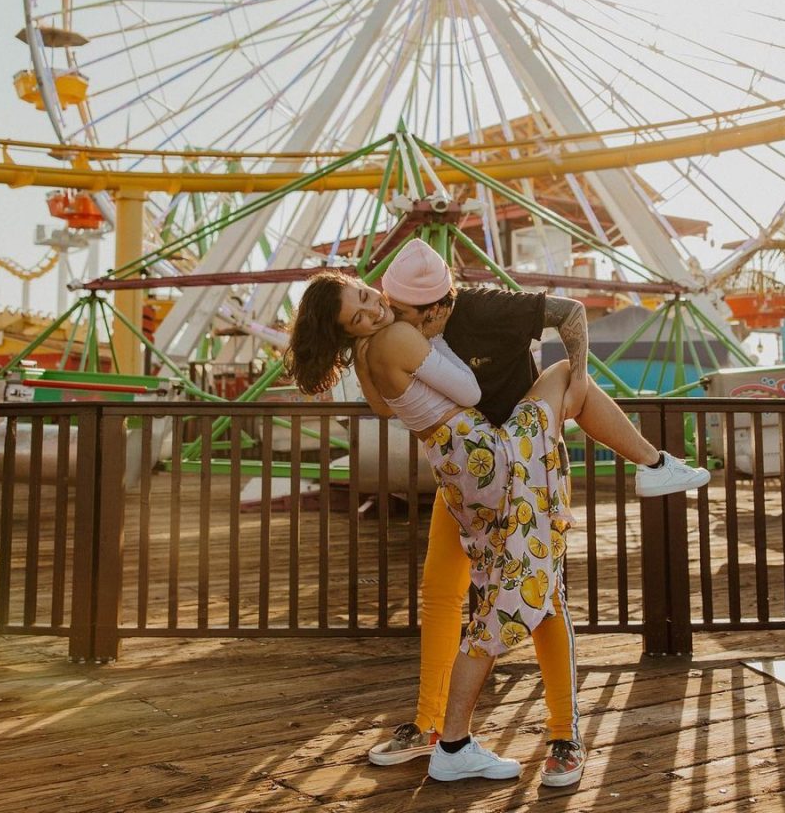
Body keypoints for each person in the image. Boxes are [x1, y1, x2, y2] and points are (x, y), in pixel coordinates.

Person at [286, 249, 709, 785]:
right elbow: (468, 391)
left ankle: (524, 732)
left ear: (439, 302)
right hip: (496, 461)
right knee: (515, 595)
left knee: (492, 595)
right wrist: (572, 384)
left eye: (370, 298)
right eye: (364, 310)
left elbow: (567, 313)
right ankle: (451, 735)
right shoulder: (398, 335)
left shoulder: (409, 333)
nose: (378, 309)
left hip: (473, 470)